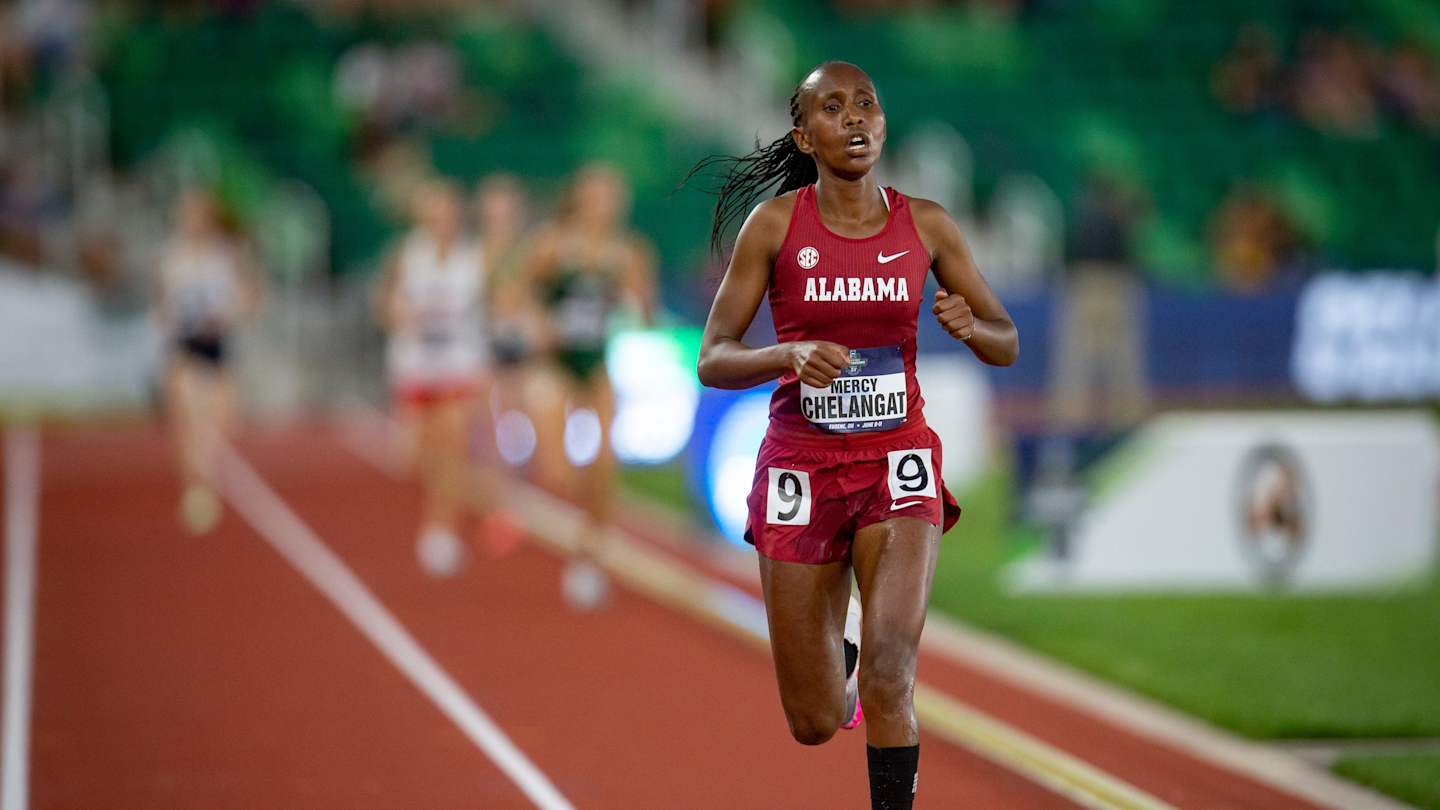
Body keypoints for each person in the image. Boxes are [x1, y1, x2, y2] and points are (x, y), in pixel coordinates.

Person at [691, 62, 1017, 810]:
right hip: (802, 466)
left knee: (892, 669)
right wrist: (787, 354)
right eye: (833, 109)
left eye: (866, 104)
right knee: (813, 720)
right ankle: (837, 669)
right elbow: (713, 356)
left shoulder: (926, 224)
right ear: (805, 136)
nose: (856, 119)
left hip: (896, 460)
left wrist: (975, 329)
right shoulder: (774, 226)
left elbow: (1007, 340)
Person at [521, 162, 656, 609]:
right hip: (555, 364)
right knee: (556, 472)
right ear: (580, 197)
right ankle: (577, 527)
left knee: (604, 463)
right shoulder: (554, 244)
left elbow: (644, 308)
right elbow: (513, 291)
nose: (605, 204)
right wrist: (537, 322)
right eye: (597, 195)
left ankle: (589, 555)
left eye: (613, 196)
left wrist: (637, 293)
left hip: (595, 360)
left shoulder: (628, 250)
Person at [375, 179, 496, 576]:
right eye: (432, 212)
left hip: (459, 365)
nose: (440, 219)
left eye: (446, 211)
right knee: (412, 457)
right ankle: (436, 517)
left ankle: (440, 529)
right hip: (415, 366)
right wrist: (395, 311)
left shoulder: (475, 256)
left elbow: (494, 305)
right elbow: (383, 303)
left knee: (453, 445)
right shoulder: (406, 253)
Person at [154, 188, 264, 534]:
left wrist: (235, 311)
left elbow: (251, 295)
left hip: (217, 347)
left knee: (223, 421)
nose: (193, 223)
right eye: (188, 216)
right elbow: (161, 304)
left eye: (199, 216)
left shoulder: (226, 257)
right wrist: (170, 318)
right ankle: (196, 487)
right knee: (186, 418)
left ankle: (204, 473)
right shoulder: (172, 257)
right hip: (184, 347)